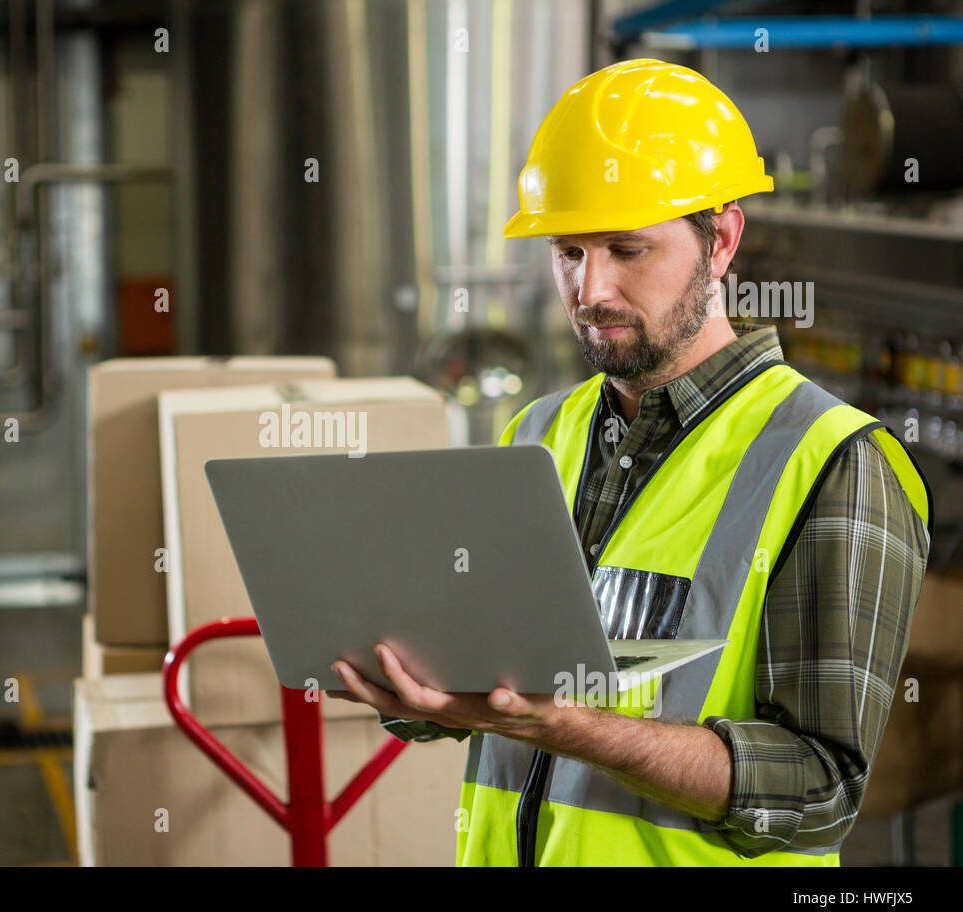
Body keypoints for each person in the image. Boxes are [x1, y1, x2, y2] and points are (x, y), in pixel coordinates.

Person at [327, 59, 932, 866]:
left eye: (625, 248)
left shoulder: (833, 462)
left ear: (721, 239)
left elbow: (817, 793)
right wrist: (419, 692)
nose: (591, 289)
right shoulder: (538, 433)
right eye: (568, 251)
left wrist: (565, 724)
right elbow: (495, 691)